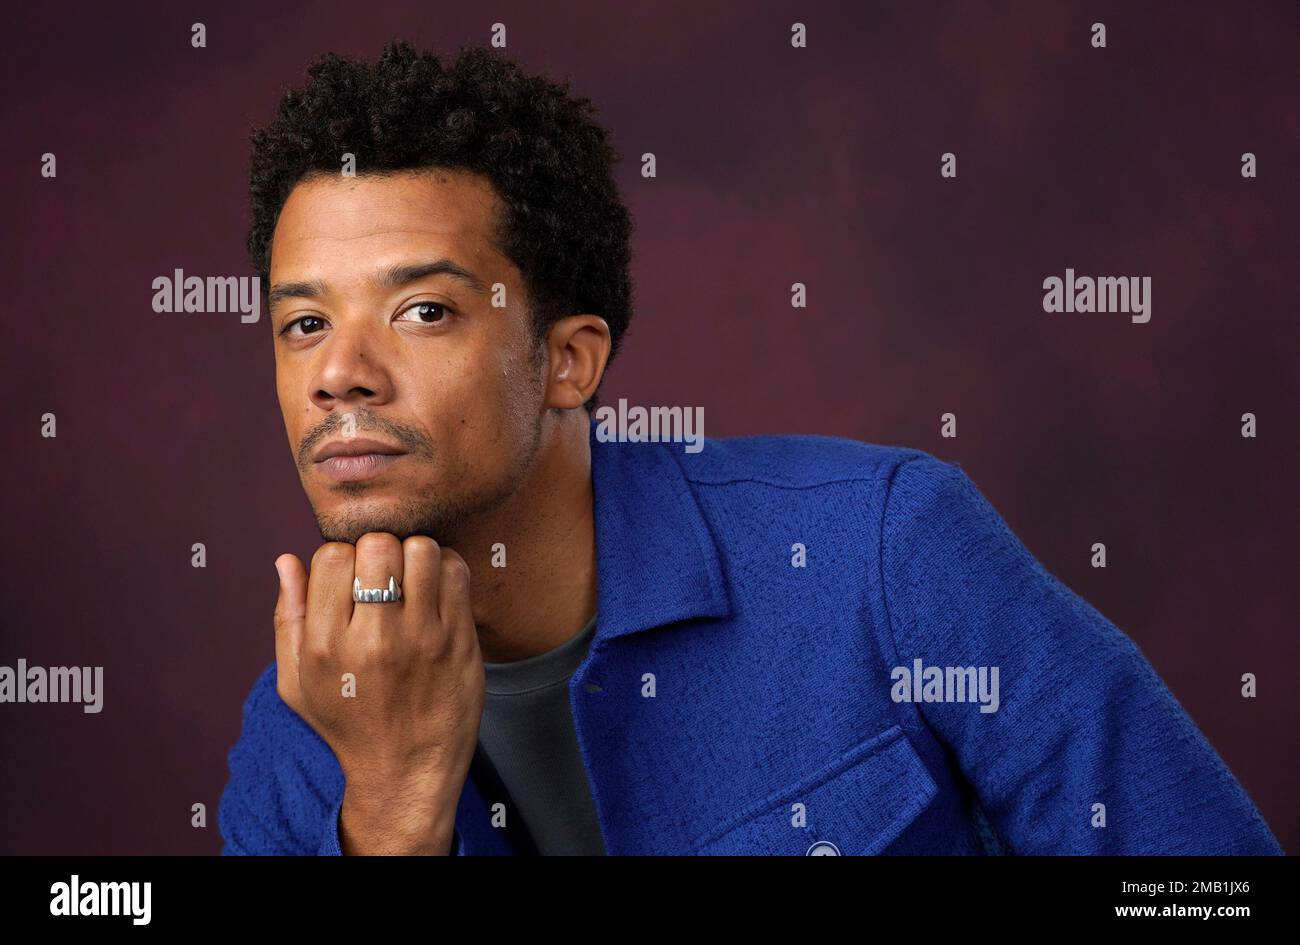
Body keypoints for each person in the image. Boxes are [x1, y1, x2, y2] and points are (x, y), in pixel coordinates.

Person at [218, 41, 1283, 856]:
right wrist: (394, 812)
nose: (336, 373)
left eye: (421, 311)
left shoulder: (883, 549)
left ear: (568, 363)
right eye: (303, 323)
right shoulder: (296, 722)